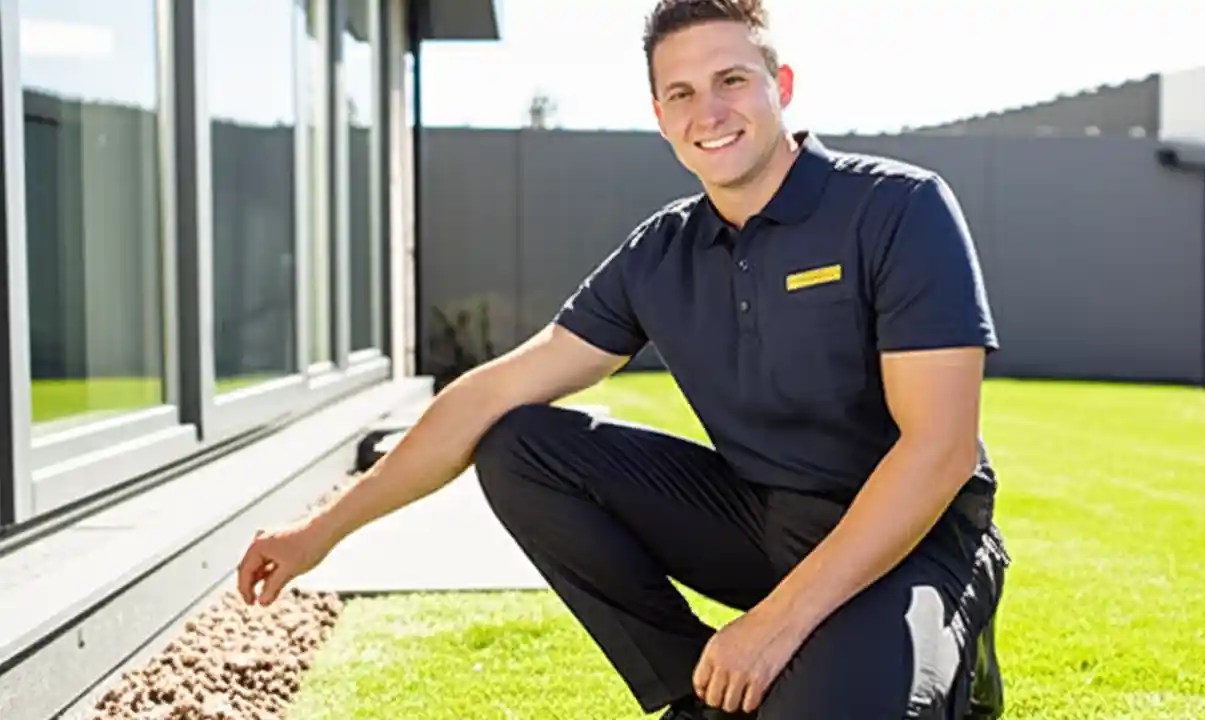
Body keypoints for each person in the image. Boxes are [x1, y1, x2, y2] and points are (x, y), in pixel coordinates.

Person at [237, 0, 1010, 717]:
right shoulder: (660, 253)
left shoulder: (898, 208)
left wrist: (774, 625)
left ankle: (954, 647)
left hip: (916, 538)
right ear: (659, 118)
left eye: (731, 80)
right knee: (519, 444)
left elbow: (938, 450)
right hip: (762, 519)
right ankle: (692, 691)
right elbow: (485, 397)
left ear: (782, 85)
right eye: (680, 93)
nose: (708, 112)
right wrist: (320, 532)